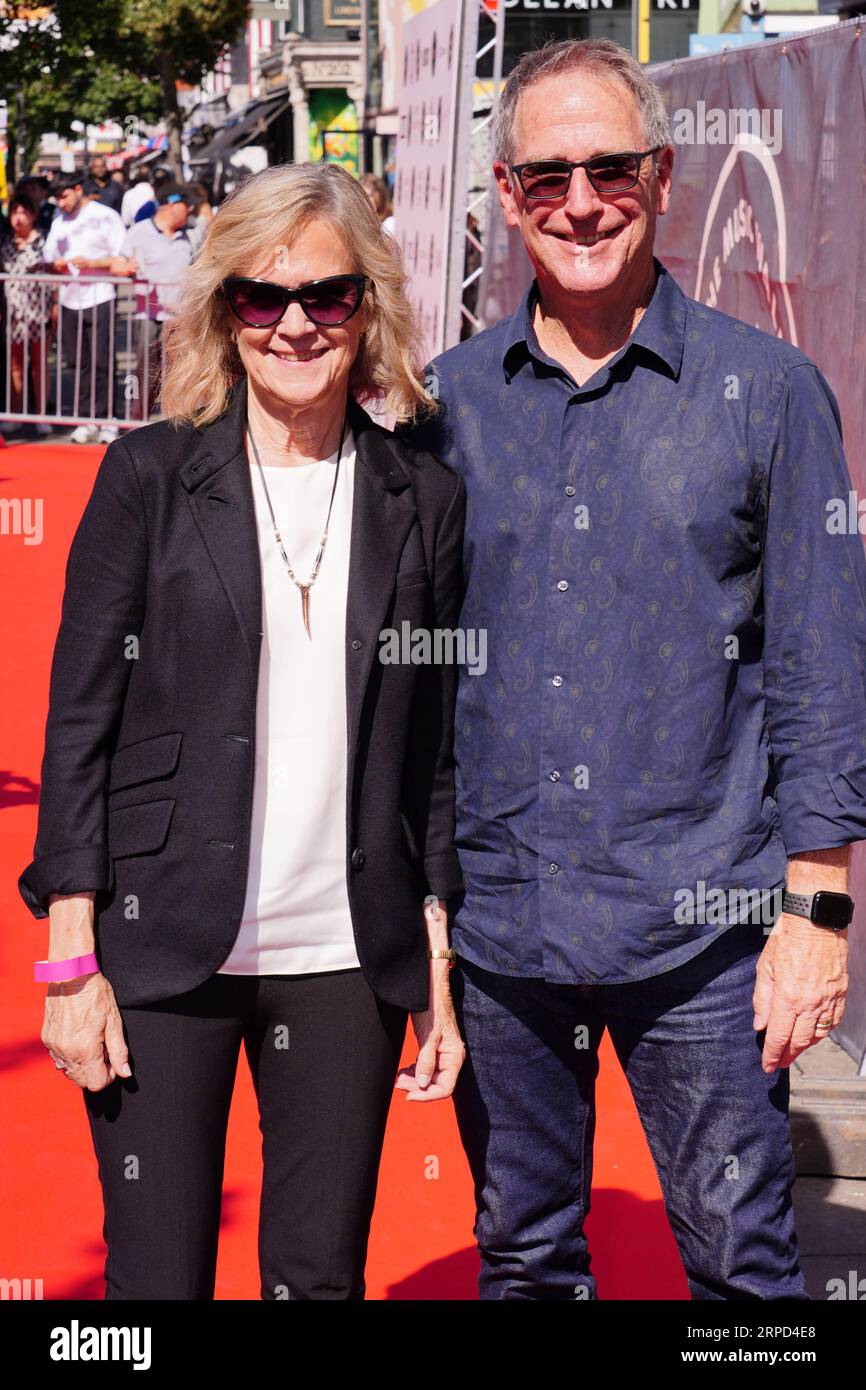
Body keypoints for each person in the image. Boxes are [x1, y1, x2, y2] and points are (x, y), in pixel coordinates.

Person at [403, 36, 866, 1300]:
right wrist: (424, 924)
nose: (581, 201)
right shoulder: (445, 406)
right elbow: (414, 698)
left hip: (704, 937)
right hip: (502, 928)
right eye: (545, 177)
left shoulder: (766, 393)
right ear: (504, 197)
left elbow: (821, 666)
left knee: (742, 1272)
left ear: (661, 177)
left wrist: (815, 918)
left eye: (609, 166)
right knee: (526, 1260)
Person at [18, 160, 466, 1301]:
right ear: (224, 312)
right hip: (162, 943)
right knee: (155, 1283)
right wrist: (72, 958)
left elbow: (436, 753)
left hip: (343, 959)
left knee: (316, 1278)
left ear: (369, 307)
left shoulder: (422, 492)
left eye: (327, 295)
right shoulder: (150, 475)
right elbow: (80, 724)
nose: (296, 325)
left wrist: (437, 962)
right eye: (262, 299)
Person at [41, 173, 125, 443]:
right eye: (58, 199)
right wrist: (58, 266)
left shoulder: (105, 216)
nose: (62, 203)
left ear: (78, 189)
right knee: (78, 363)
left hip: (100, 295)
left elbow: (122, 257)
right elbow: (49, 258)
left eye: (64, 196)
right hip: (69, 299)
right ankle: (86, 417)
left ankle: (110, 418)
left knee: (103, 360)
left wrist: (92, 262)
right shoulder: (58, 223)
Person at [108, 182, 195, 418]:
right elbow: (116, 263)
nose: (190, 212)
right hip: (148, 314)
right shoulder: (140, 231)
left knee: (177, 373)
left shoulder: (188, 236)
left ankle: (175, 425)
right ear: (172, 205)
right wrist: (126, 267)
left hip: (179, 318)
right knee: (145, 372)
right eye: (187, 207)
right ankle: (137, 420)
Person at [0, 190, 53, 431]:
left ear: (32, 215)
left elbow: (54, 277)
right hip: (13, 312)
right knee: (16, 365)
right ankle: (16, 412)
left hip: (38, 312)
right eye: (14, 212)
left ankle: (41, 415)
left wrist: (54, 308)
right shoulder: (6, 243)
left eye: (23, 212)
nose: (18, 217)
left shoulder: (43, 241)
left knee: (39, 365)